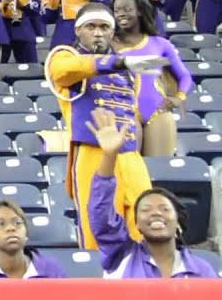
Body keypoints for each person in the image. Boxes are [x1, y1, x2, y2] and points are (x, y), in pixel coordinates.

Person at [46, 2, 161, 250]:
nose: (98, 33)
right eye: (91, 27)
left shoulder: (128, 68)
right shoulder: (65, 55)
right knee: (96, 229)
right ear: (78, 30)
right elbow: (64, 72)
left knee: (145, 224)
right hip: (91, 151)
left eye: (104, 27)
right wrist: (116, 63)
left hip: (130, 155)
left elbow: (133, 113)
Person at [86, 108, 219, 278]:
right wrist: (110, 155)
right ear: (138, 225)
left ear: (178, 222)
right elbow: (101, 215)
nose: (155, 213)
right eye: (145, 210)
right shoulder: (121, 255)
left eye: (164, 209)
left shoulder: (202, 271)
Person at [110, 0, 193, 158]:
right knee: (129, 175)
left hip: (157, 113)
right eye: (117, 10)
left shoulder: (160, 43)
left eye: (127, 9)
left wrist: (178, 97)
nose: (121, 14)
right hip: (123, 114)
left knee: (159, 173)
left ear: (139, 11)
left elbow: (185, 76)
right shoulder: (107, 45)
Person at [0, 200, 68, 278]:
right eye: (1, 224)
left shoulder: (51, 269)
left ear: (26, 232)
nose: (11, 228)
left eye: (17, 223)